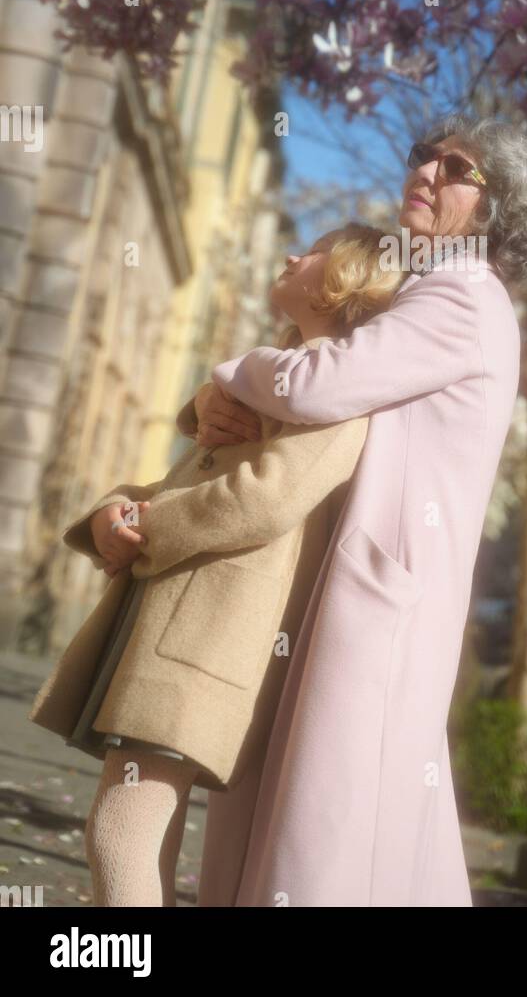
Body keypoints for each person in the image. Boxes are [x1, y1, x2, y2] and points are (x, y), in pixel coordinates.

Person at [188, 116, 527, 907]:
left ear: (494, 214)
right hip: (370, 585)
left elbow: (317, 384)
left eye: (457, 169)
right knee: (361, 815)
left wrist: (233, 372)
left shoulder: (463, 294)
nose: (426, 172)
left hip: (380, 593)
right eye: (424, 156)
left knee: (331, 817)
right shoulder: (433, 289)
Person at [29, 223, 406, 906]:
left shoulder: (337, 395)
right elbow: (187, 483)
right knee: (142, 832)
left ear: (348, 278)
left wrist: (148, 528)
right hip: (165, 628)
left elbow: (266, 501)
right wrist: (112, 514)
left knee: (121, 831)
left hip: (204, 647)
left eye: (316, 251)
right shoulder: (275, 375)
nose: (294, 253)